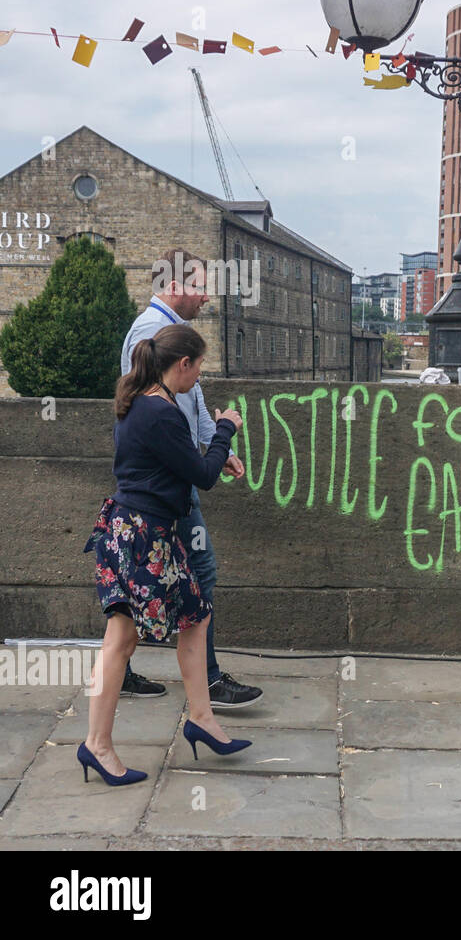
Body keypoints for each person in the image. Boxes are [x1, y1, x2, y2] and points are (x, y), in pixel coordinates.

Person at [80, 325, 253, 785]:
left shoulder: (141, 401)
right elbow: (202, 474)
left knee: (195, 617)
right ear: (182, 365)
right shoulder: (161, 411)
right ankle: (97, 744)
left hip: (136, 530)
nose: (198, 378)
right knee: (121, 641)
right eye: (197, 368)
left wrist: (219, 450)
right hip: (143, 535)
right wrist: (225, 430)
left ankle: (202, 718)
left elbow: (178, 465)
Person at [115, 250, 262, 709]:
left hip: (159, 485)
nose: (206, 297)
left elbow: (191, 400)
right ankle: (210, 684)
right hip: (167, 486)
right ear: (175, 284)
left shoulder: (168, 332)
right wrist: (219, 443)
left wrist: (224, 451)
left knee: (140, 579)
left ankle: (118, 671)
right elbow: (165, 419)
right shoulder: (151, 332)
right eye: (200, 286)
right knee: (198, 573)